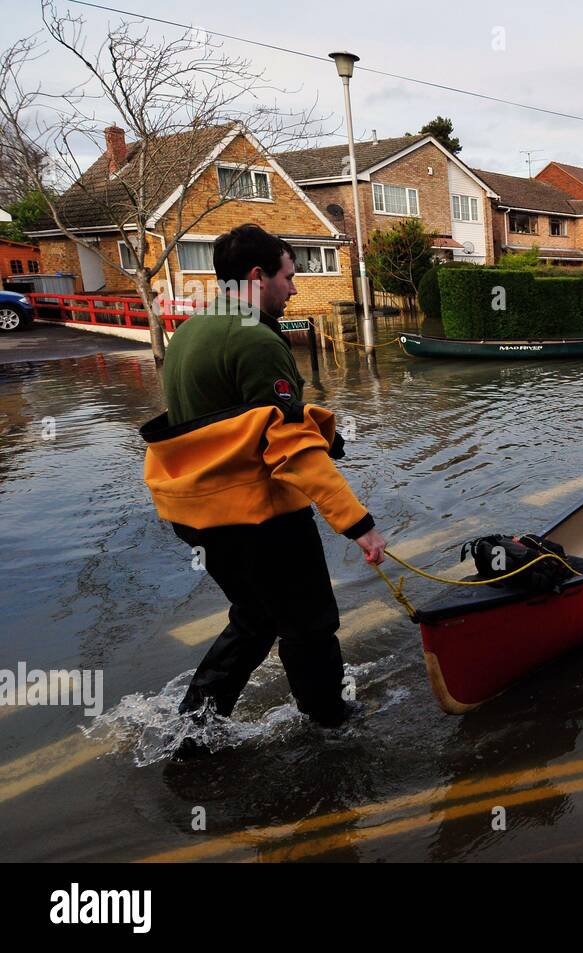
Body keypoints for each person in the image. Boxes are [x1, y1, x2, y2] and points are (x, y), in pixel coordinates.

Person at [139, 224, 386, 750]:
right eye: (289, 277)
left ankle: (193, 728)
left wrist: (315, 431)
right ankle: (331, 723)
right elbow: (290, 445)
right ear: (257, 276)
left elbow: (231, 422)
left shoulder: (190, 331)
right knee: (310, 623)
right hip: (257, 516)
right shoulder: (255, 337)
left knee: (254, 619)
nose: (294, 289)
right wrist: (359, 525)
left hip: (195, 513)